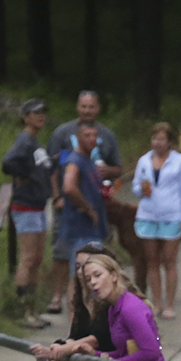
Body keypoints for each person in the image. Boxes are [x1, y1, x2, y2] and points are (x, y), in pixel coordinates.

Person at [31, 251, 168, 361]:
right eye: (88, 279)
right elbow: (121, 351)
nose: (92, 282)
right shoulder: (113, 308)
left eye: (97, 275)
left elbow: (151, 351)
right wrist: (94, 354)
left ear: (113, 276)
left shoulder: (130, 308)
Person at [46, 91, 122, 315]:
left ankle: (89, 310)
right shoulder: (64, 135)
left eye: (91, 107)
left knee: (88, 266)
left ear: (98, 108)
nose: (87, 111)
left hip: (93, 209)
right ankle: (59, 298)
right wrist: (58, 195)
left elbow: (118, 168)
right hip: (73, 210)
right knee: (67, 257)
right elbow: (56, 167)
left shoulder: (106, 136)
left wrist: (106, 173)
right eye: (83, 106)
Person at [0, 99, 57, 328]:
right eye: (36, 113)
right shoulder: (24, 140)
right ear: (25, 117)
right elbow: (8, 162)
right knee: (28, 258)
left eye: (43, 112)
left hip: (39, 205)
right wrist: (25, 176)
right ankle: (23, 311)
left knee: (38, 259)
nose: (41, 116)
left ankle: (32, 308)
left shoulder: (34, 142)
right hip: (26, 206)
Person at [131, 121, 181, 320]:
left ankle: (169, 304)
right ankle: (156, 303)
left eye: (162, 139)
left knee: (170, 261)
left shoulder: (179, 161)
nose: (157, 143)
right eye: (155, 138)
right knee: (152, 262)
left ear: (169, 142)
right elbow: (135, 186)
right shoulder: (143, 160)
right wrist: (140, 189)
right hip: (148, 215)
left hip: (172, 215)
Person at [52, 123, 111, 297]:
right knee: (80, 276)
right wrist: (88, 208)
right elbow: (69, 187)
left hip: (93, 228)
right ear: (77, 137)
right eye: (87, 135)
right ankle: (75, 319)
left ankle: (86, 318)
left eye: (94, 135)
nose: (92, 139)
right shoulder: (75, 160)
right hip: (81, 227)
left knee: (89, 275)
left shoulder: (89, 160)